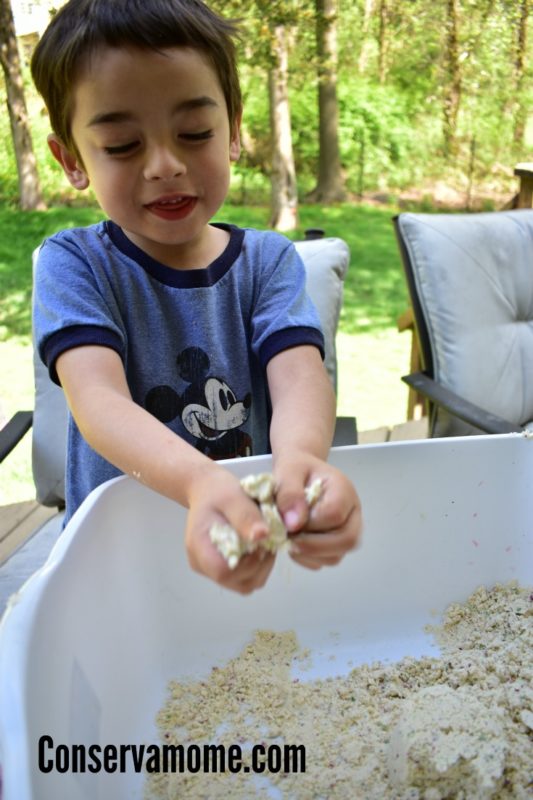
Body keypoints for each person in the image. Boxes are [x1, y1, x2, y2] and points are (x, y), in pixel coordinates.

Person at [30, 0, 362, 594]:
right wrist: (199, 482)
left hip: (242, 551)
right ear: (72, 159)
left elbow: (299, 378)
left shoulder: (268, 261)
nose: (165, 165)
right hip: (118, 564)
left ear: (233, 131)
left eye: (194, 134)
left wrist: (302, 461)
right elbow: (97, 399)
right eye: (123, 145)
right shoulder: (73, 264)